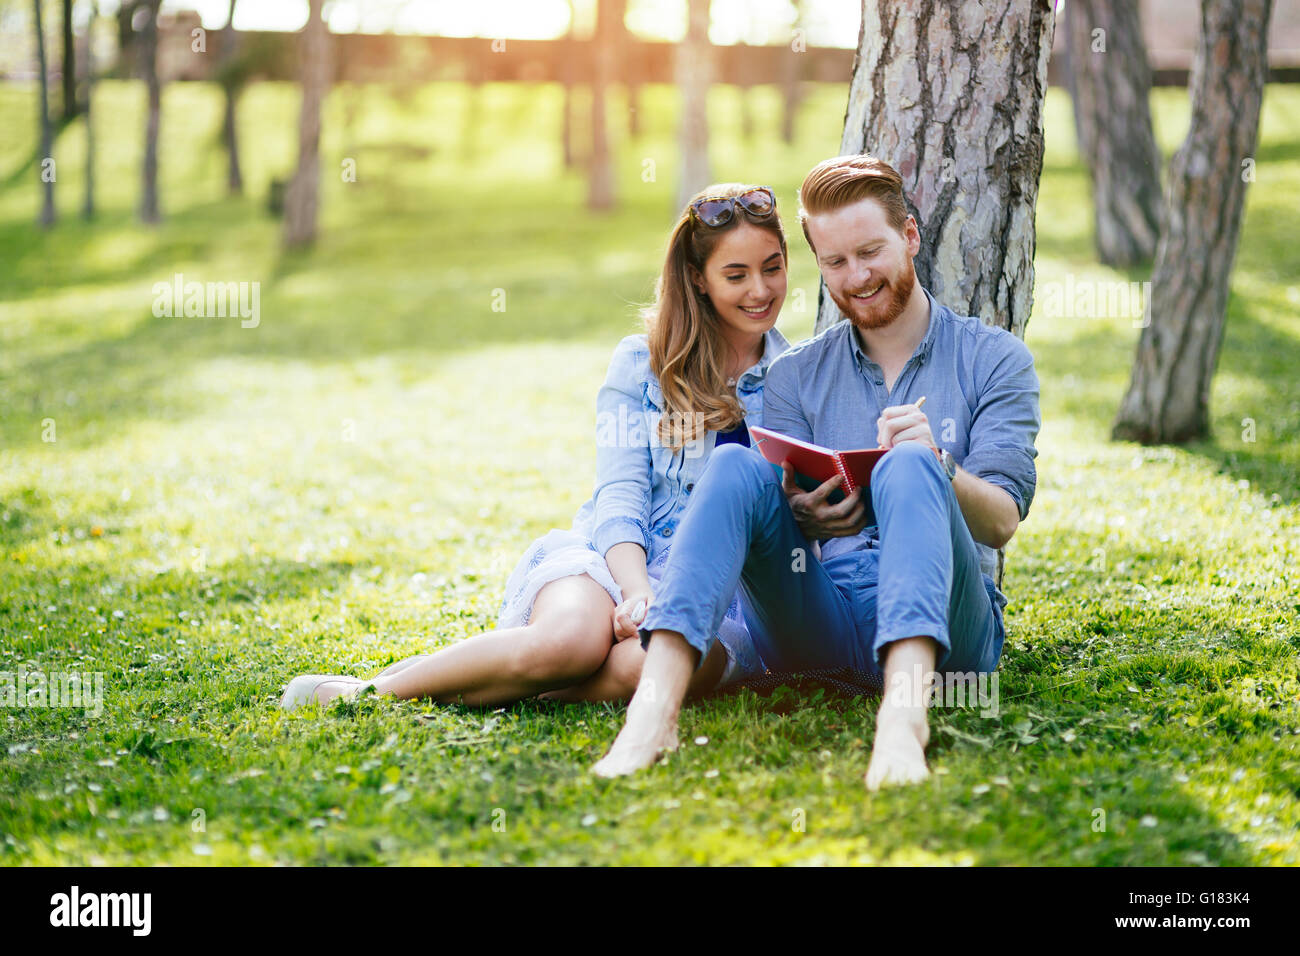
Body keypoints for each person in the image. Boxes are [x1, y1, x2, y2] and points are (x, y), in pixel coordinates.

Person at [593, 155, 1041, 789]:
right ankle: (652, 713)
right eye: (835, 263)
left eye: (870, 252)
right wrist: (802, 516)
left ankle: (903, 719)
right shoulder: (794, 375)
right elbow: (778, 516)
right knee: (733, 465)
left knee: (912, 460)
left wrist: (940, 466)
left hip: (950, 638)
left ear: (910, 236)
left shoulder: (995, 360)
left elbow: (1000, 522)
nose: (856, 277)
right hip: (821, 620)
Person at [280, 184, 791, 711]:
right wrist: (638, 593)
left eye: (772, 268)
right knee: (567, 642)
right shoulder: (642, 364)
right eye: (736, 275)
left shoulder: (797, 379)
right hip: (614, 562)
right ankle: (364, 695)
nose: (760, 290)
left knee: (657, 664)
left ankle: (517, 684)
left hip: (717, 600)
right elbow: (620, 493)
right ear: (698, 280)